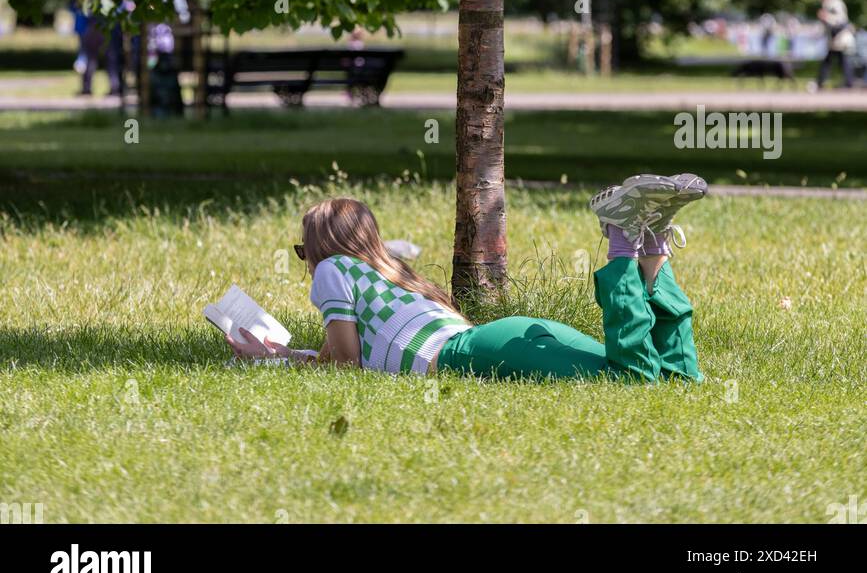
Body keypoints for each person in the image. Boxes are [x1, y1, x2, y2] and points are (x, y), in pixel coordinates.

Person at [225, 175, 707, 384]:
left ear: (319, 248)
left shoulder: (331, 270)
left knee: (631, 378)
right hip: (498, 338)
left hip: (475, 352)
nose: (305, 261)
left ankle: (623, 237)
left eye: (302, 252)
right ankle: (653, 244)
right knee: (675, 378)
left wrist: (272, 366)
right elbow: (346, 354)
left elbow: (347, 365)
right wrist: (287, 355)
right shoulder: (387, 271)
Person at [816, 0, 854, 90]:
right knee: (841, 60)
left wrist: (825, 17)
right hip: (839, 36)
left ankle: (820, 83)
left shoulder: (831, 2)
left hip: (839, 36)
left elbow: (840, 21)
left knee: (832, 61)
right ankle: (848, 83)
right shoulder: (838, 1)